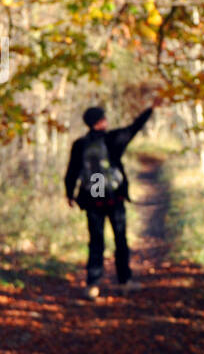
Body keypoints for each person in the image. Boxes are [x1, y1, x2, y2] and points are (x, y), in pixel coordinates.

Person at [65, 101, 157, 299]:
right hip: (114, 199)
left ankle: (92, 284)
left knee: (96, 241)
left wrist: (69, 194)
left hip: (92, 200)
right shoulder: (114, 139)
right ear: (100, 122)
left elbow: (72, 171)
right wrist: (150, 109)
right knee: (120, 240)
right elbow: (135, 127)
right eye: (103, 118)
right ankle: (125, 281)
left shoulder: (80, 144)